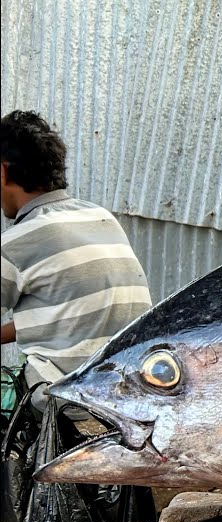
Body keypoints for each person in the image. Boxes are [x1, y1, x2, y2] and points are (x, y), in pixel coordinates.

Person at [1, 110, 152, 407]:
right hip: (130, 387)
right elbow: (67, 315)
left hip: (68, 397)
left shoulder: (17, 242)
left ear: (3, 172)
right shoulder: (100, 217)